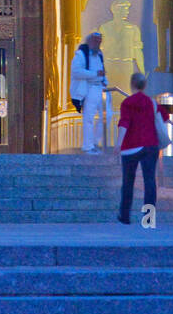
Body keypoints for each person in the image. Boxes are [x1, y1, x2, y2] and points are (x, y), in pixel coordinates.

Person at [115, 72, 161, 224]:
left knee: (128, 181)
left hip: (131, 146)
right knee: (150, 181)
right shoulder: (152, 102)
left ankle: (125, 215)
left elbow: (124, 123)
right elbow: (164, 118)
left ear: (132, 84)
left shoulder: (128, 103)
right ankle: (149, 218)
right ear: (144, 85)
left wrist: (118, 143)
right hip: (151, 144)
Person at [69, 30, 107, 153]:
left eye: (99, 41)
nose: (98, 43)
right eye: (95, 41)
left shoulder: (99, 54)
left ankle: (95, 142)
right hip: (89, 88)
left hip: (100, 88)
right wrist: (94, 74)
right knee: (89, 117)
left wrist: (103, 79)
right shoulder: (81, 54)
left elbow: (101, 69)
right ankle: (88, 146)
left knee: (107, 115)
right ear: (89, 41)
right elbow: (76, 72)